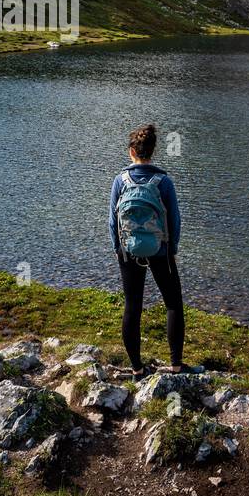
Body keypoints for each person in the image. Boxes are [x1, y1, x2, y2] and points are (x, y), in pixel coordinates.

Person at [108, 123, 187, 379]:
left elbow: (112, 220)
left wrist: (118, 249)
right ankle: (175, 365)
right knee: (173, 304)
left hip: (129, 251)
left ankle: (137, 368)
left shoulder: (120, 181)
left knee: (132, 307)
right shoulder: (163, 182)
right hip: (161, 250)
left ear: (132, 151)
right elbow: (174, 220)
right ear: (152, 151)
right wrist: (171, 249)